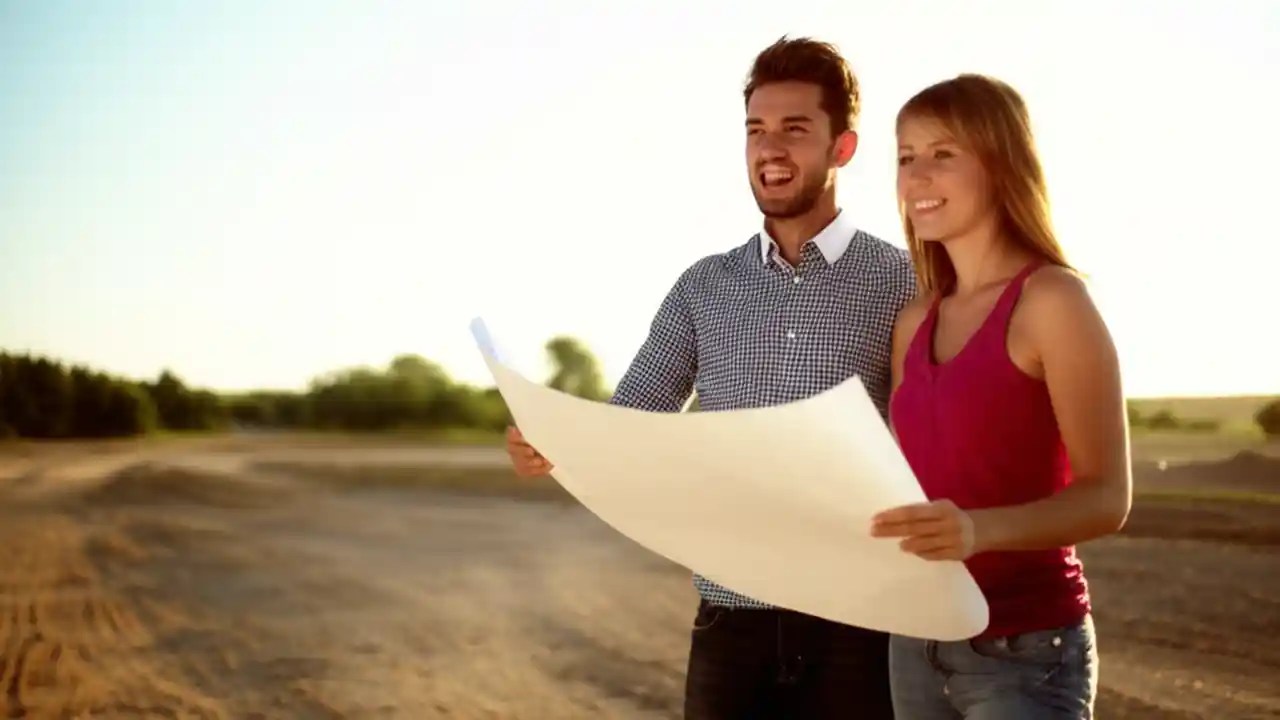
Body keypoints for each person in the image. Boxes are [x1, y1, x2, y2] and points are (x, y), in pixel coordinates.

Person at [506, 36, 915, 718]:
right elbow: (634, 416)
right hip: (730, 625)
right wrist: (557, 442)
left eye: (795, 129)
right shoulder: (703, 287)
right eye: (756, 130)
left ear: (841, 148)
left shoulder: (901, 281)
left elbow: (934, 437)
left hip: (859, 625)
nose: (770, 149)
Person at [869, 73, 1132, 719]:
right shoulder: (914, 320)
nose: (916, 177)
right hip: (917, 639)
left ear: (1000, 163)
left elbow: (1107, 498)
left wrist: (975, 531)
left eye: (942, 154)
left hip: (1025, 650)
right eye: (906, 158)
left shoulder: (1052, 302)